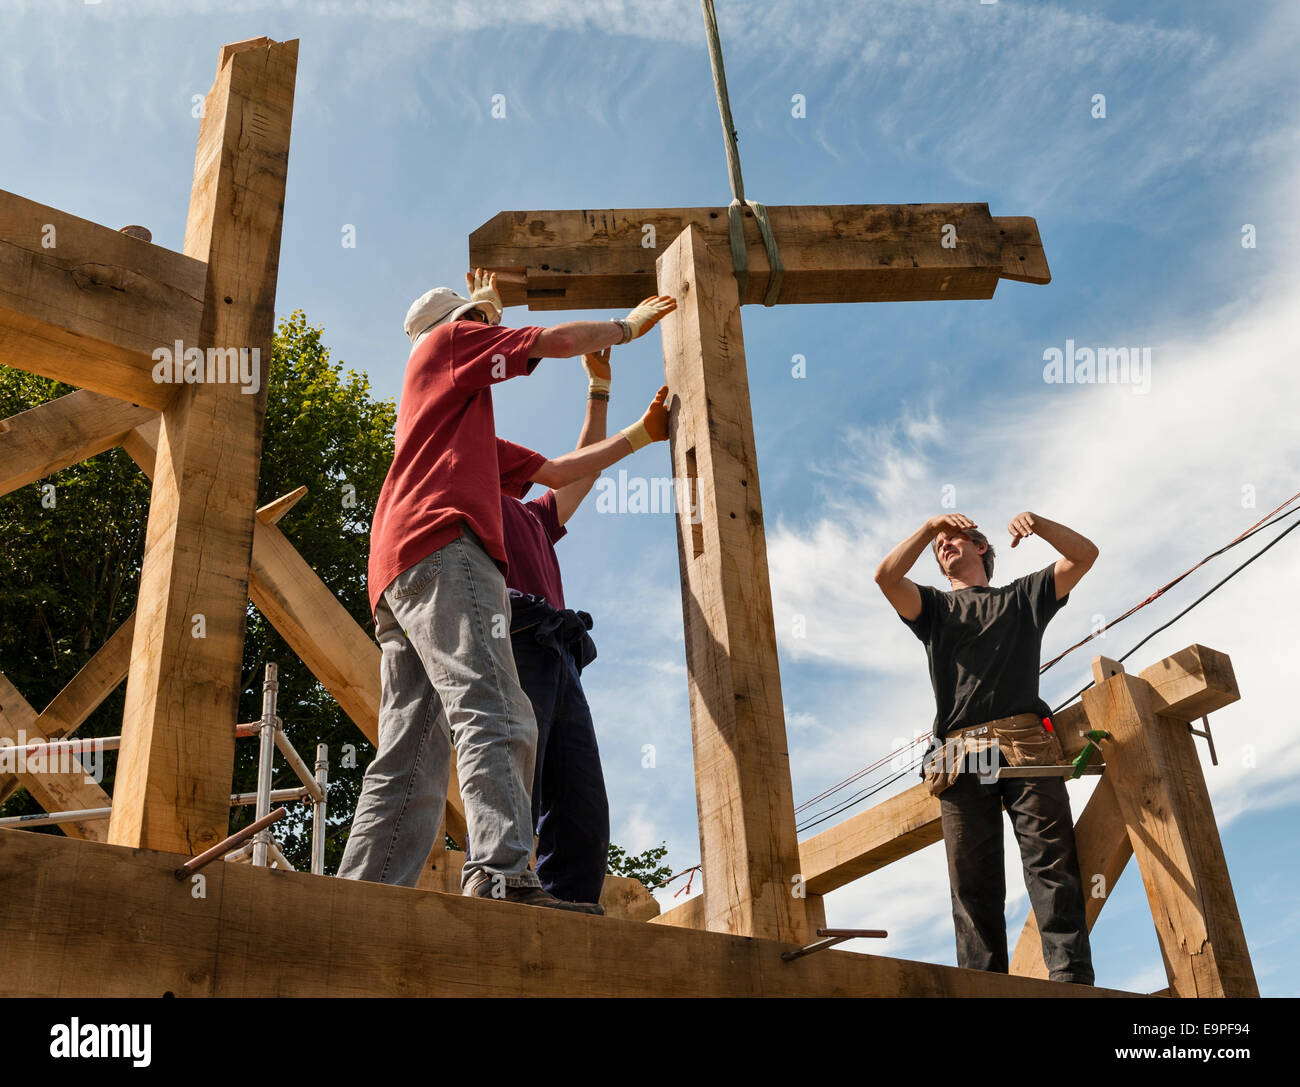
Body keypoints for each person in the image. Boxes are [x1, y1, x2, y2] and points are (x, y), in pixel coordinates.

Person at [337, 269, 675, 915]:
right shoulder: (445, 347)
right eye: (477, 323)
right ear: (459, 327)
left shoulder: (457, 435)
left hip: (399, 573)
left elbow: (556, 472)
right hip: (444, 552)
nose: (485, 332)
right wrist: (626, 327)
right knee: (497, 710)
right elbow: (544, 340)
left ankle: (362, 903)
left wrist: (629, 426)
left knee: (413, 753)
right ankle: (500, 877)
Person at [467, 345, 658, 904]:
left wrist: (598, 391)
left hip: (561, 649)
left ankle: (572, 904)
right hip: (514, 636)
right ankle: (501, 882)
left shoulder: (532, 516)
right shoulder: (470, 495)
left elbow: (583, 467)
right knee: (516, 773)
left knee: (580, 795)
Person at [874, 510, 1099, 984]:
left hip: (1026, 745)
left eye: (955, 539)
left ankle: (1071, 980)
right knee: (972, 883)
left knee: (1050, 863)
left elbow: (1085, 555)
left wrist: (1038, 523)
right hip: (957, 756)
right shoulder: (932, 608)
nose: (944, 546)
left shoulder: (1023, 598)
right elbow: (886, 576)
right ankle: (985, 987)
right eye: (939, 546)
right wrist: (929, 526)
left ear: (981, 548)